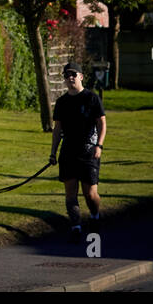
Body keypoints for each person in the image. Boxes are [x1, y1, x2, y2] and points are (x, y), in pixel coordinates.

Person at [48, 63, 106, 242]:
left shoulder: (92, 98)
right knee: (70, 193)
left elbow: (102, 123)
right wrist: (53, 152)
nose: (70, 77)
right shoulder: (62, 102)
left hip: (89, 151)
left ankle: (95, 216)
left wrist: (99, 145)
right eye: (66, 75)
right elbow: (57, 129)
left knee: (90, 194)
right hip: (68, 153)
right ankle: (76, 227)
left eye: (73, 74)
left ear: (81, 76)